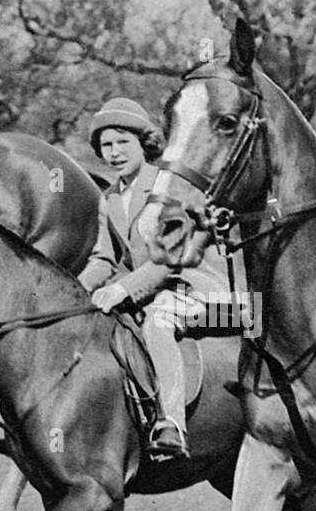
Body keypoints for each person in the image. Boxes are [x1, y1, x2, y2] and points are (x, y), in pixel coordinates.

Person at [79, 98, 228, 460]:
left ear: (143, 143)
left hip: (203, 290)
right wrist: (79, 290)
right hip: (147, 293)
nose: (114, 153)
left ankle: (172, 425)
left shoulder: (168, 187)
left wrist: (123, 288)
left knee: (158, 322)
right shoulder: (108, 198)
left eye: (122, 143)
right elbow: (103, 257)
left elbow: (171, 259)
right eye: (106, 146)